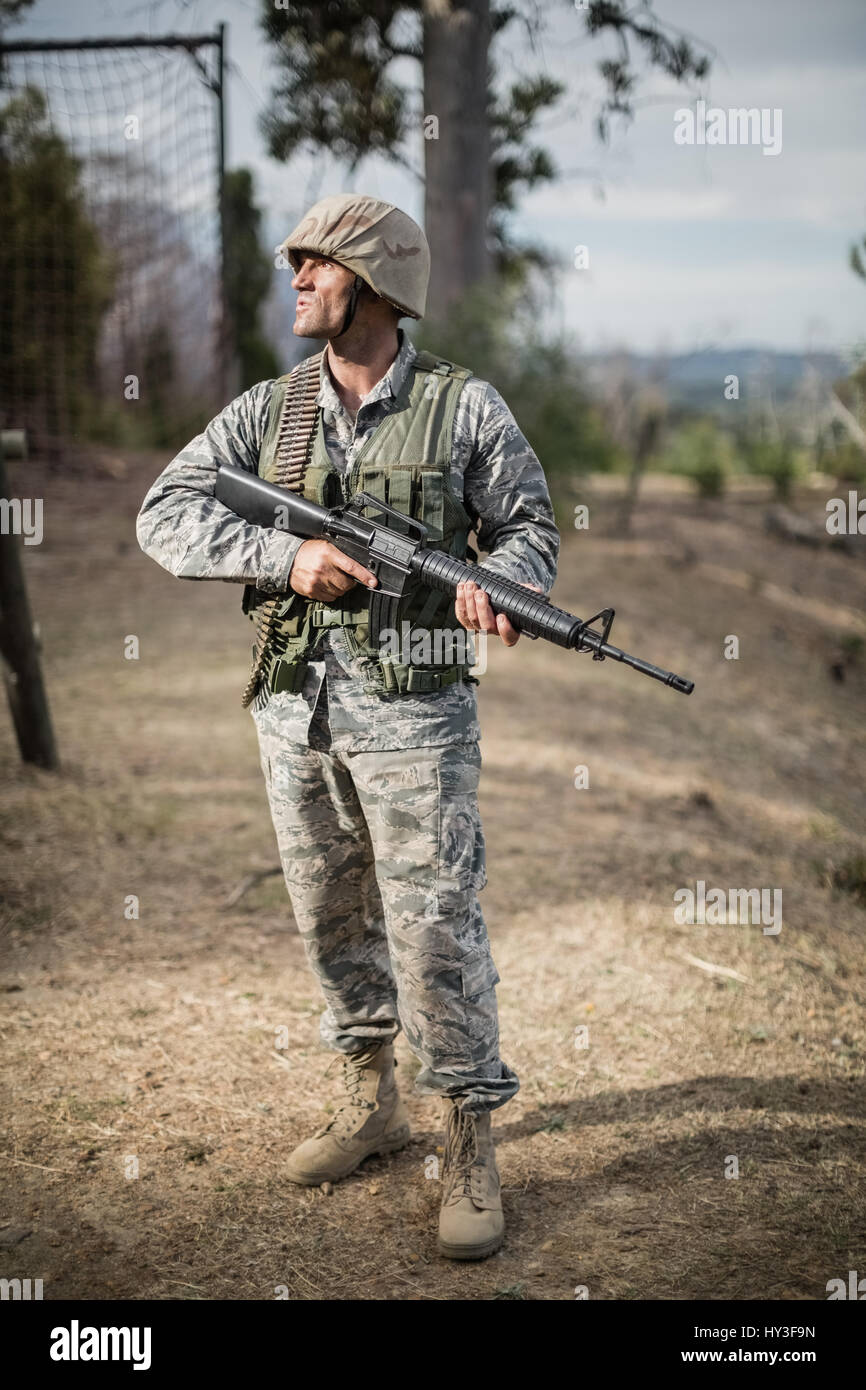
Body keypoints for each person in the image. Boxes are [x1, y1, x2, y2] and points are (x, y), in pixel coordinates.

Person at [136, 193, 559, 1261]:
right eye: (294, 266)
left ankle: (466, 1129)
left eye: (314, 265)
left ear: (369, 283)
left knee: (433, 927)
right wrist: (286, 559)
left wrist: (498, 585)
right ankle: (371, 1096)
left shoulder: (464, 409)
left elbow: (526, 530)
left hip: (416, 714)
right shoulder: (270, 412)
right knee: (329, 912)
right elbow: (164, 510)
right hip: (293, 705)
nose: (297, 282)